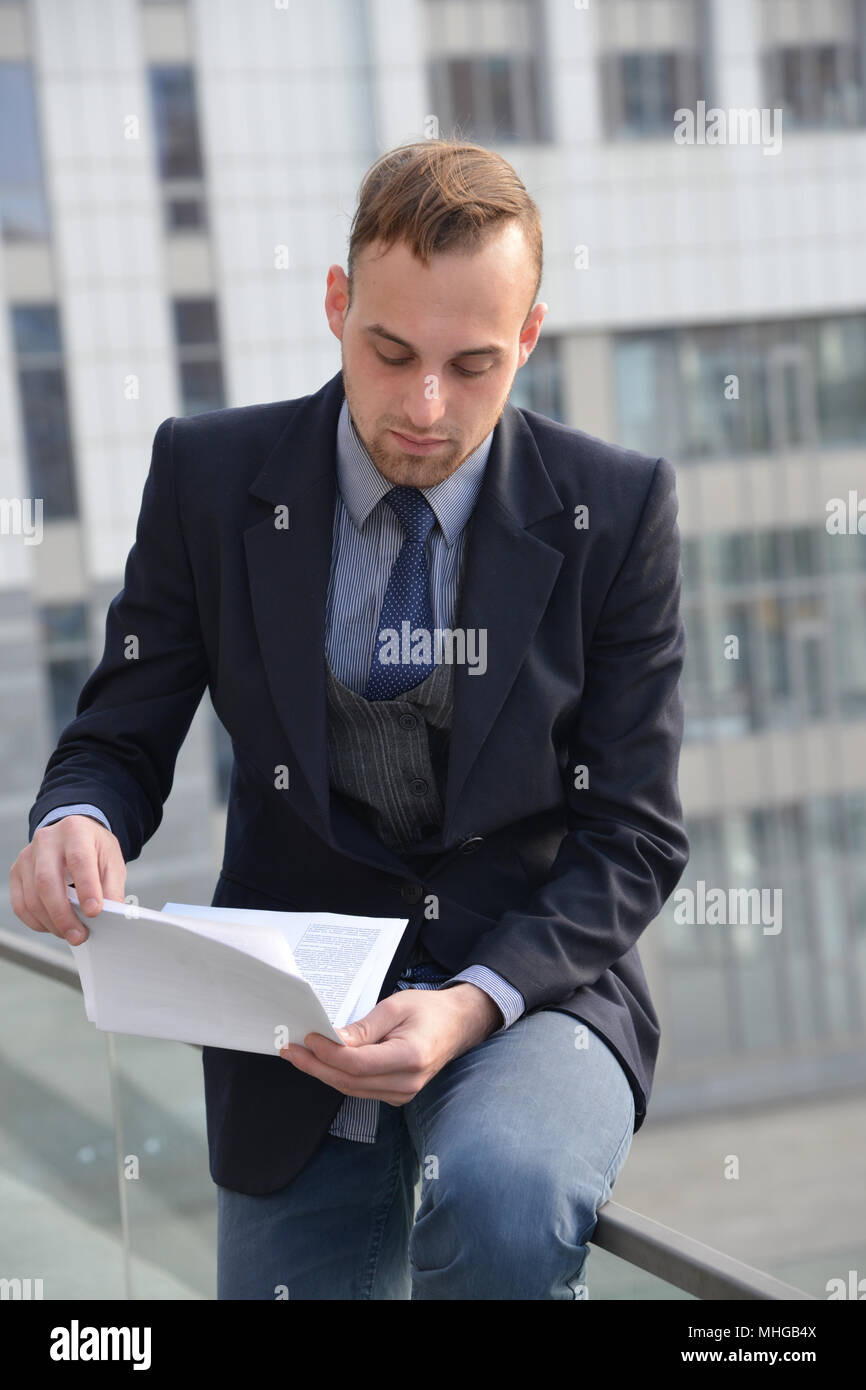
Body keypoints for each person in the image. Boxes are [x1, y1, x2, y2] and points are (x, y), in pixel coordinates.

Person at [11, 138, 689, 1300]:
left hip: (532, 981)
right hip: (290, 1017)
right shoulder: (205, 475)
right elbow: (119, 731)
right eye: (391, 352)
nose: (426, 408)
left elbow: (632, 835)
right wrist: (74, 813)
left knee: (510, 1196)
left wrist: (471, 1002)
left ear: (528, 339)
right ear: (336, 305)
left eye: (473, 365)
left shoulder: (617, 512)